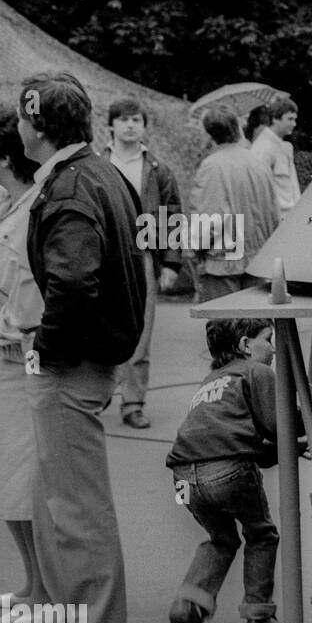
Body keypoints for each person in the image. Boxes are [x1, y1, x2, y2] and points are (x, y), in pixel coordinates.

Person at [19, 70, 145, 623]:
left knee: (74, 505)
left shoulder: (70, 187)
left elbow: (71, 279)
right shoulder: (103, 173)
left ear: (39, 124)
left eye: (22, 118)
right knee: (74, 500)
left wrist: (45, 347)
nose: (16, 127)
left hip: (74, 364)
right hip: (97, 357)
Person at [166, 318, 299, 623]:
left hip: (183, 476)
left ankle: (189, 602)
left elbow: (234, 436)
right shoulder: (256, 371)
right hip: (228, 469)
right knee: (261, 534)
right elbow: (275, 427)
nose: (272, 347)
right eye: (268, 339)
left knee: (221, 538)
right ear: (244, 345)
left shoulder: (211, 381)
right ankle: (259, 617)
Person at [0, 105, 48, 621]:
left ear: (2, 156)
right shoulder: (6, 201)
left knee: (23, 488)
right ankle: (33, 584)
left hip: (14, 362)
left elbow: (28, 310)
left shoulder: (27, 216)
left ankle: (46, 592)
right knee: (9, 488)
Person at [102, 97, 184, 429]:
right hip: (106, 256)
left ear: (144, 126)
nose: (131, 125)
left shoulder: (158, 169)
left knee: (142, 330)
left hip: (143, 255)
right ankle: (101, 391)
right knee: (101, 325)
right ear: (111, 126)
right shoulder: (98, 164)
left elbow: (172, 215)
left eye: (136, 120)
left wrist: (171, 264)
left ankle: (133, 402)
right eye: (124, 120)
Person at [188, 106, 281, 302]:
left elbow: (209, 221)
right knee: (257, 327)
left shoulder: (212, 166)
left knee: (226, 328)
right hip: (259, 261)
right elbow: (274, 213)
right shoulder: (258, 163)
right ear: (237, 128)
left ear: (209, 134)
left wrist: (195, 251)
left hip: (223, 265)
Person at [249, 95, 301, 217]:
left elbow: (291, 185)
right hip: (276, 217)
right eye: (289, 119)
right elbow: (258, 189)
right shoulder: (263, 148)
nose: (294, 124)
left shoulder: (284, 146)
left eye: (294, 119)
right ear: (275, 119)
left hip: (290, 215)